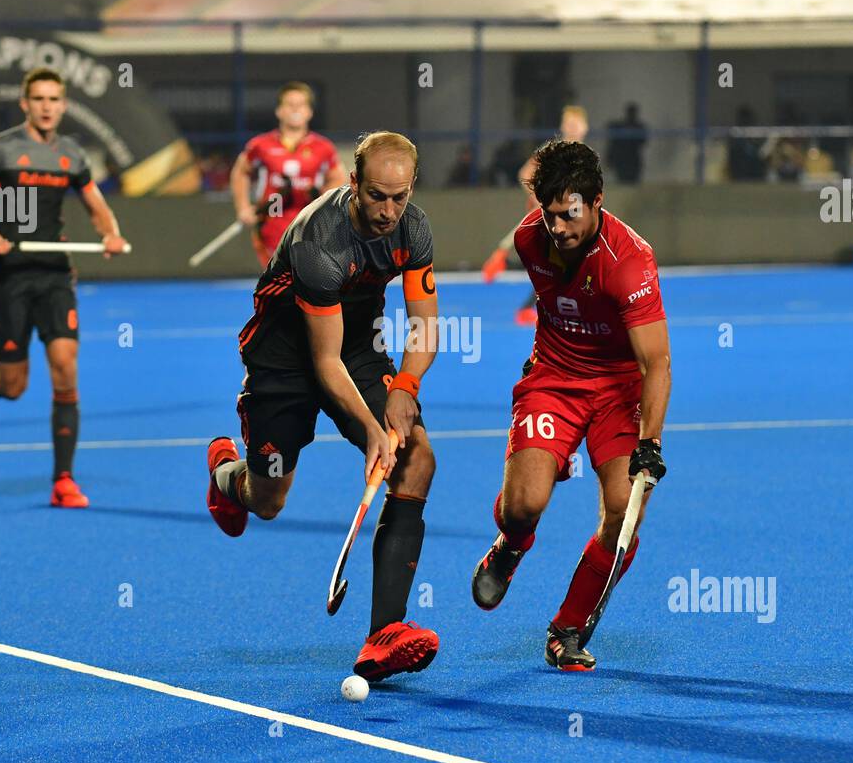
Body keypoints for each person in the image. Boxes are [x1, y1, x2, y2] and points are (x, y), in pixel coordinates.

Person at [206, 132, 442, 682]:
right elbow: (323, 362)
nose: (388, 211)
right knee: (267, 501)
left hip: (357, 348)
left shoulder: (415, 227)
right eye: (377, 196)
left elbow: (425, 323)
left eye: (400, 197)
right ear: (353, 182)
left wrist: (405, 386)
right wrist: (371, 429)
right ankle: (224, 473)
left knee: (418, 459)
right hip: (284, 361)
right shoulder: (322, 240)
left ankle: (386, 632)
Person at [470, 139, 671, 672]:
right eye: (548, 213)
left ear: (597, 199)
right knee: (524, 505)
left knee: (625, 508)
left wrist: (649, 443)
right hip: (554, 378)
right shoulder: (528, 240)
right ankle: (511, 546)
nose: (556, 227)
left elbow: (656, 365)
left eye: (569, 214)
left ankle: (567, 627)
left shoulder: (630, 263)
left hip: (619, 388)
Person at [0, 67, 129, 508]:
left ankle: (63, 480)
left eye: (54, 99)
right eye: (39, 99)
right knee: (13, 386)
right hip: (8, 276)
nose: (47, 107)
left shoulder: (71, 154)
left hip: (54, 273)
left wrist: (110, 233)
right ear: (25, 104)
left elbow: (96, 204)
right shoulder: (2, 149)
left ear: (63, 105)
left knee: (65, 365)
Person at [482, 105, 590, 325]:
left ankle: (509, 265)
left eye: (576, 124)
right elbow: (525, 174)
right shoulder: (554, 151)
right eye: (569, 124)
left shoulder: (583, 155)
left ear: (585, 127)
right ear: (562, 126)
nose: (573, 128)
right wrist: (542, 196)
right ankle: (532, 306)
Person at [229, 81, 347, 269]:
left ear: (309, 111)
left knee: (308, 283)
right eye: (289, 104)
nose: (295, 109)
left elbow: (338, 178)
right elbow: (240, 172)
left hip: (309, 226)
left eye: (301, 105)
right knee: (281, 284)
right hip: (271, 224)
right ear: (279, 111)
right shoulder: (260, 145)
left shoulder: (323, 148)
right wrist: (243, 207)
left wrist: (326, 202)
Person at [606, 103, 648, 184]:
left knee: (633, 184)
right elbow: (613, 142)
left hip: (633, 161)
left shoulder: (638, 127)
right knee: (623, 183)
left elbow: (643, 141)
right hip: (622, 161)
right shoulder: (619, 126)